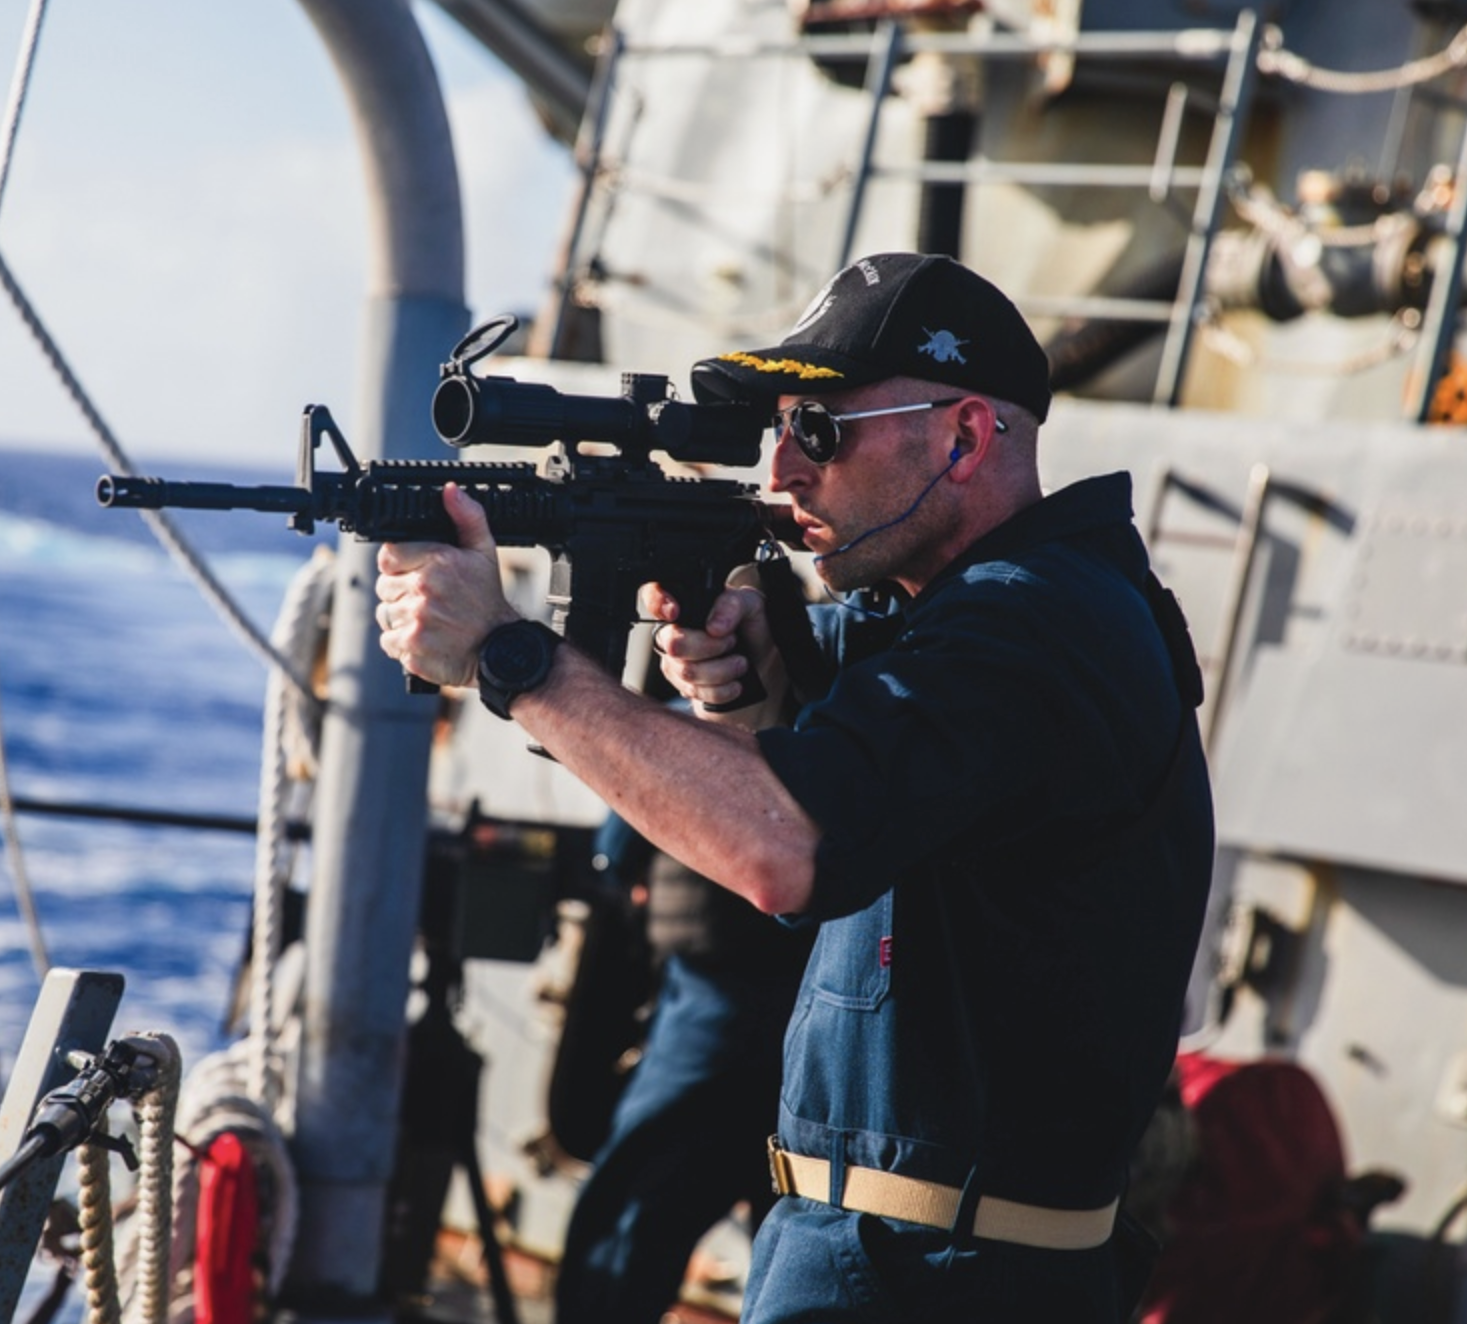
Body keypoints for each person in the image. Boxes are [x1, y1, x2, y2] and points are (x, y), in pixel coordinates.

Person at [375, 252, 1214, 1321]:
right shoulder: (948, 613)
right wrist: (756, 700)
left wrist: (510, 657)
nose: (777, 472)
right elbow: (860, 781)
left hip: (939, 1276)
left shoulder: (1030, 623)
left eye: (817, 430)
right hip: (896, 1254)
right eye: (773, 429)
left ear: (962, 437)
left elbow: (786, 849)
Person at [554, 813, 812, 1324]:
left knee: (634, 1208)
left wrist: (619, 858)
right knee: (799, 1226)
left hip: (721, 989)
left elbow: (643, 793)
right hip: (834, 999)